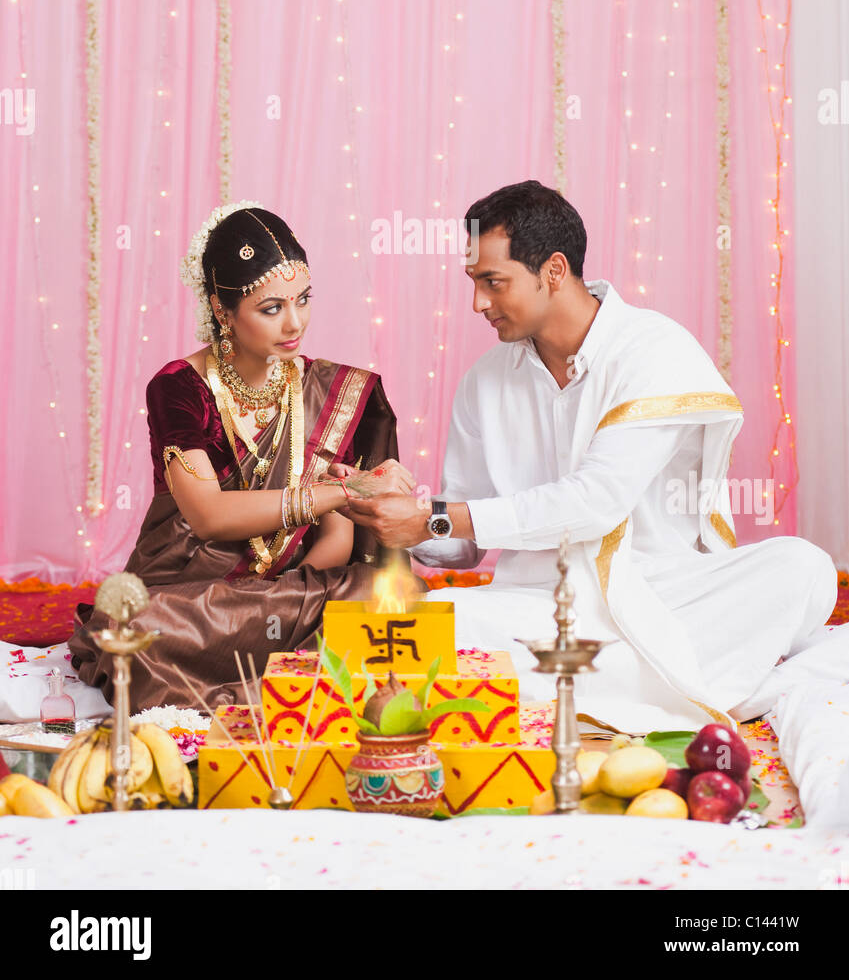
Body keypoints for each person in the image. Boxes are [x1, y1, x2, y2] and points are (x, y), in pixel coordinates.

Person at [341, 181, 838, 733]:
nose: (478, 302)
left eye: (493, 282)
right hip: (538, 609)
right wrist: (394, 512)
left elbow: (595, 503)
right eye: (474, 282)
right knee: (436, 626)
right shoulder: (483, 381)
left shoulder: (653, 349)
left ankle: (632, 680)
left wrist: (436, 514)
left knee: (802, 568)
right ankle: (693, 681)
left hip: (665, 593)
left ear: (553, 270)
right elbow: (461, 540)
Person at [69, 201, 416, 712]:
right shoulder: (179, 388)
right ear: (221, 309)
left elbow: (338, 538)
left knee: (384, 593)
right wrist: (344, 490)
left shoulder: (330, 389)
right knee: (137, 627)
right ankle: (287, 674)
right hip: (193, 593)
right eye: (271, 308)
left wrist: (274, 601)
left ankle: (259, 657)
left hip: (290, 592)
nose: (294, 322)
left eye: (303, 299)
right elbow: (208, 517)